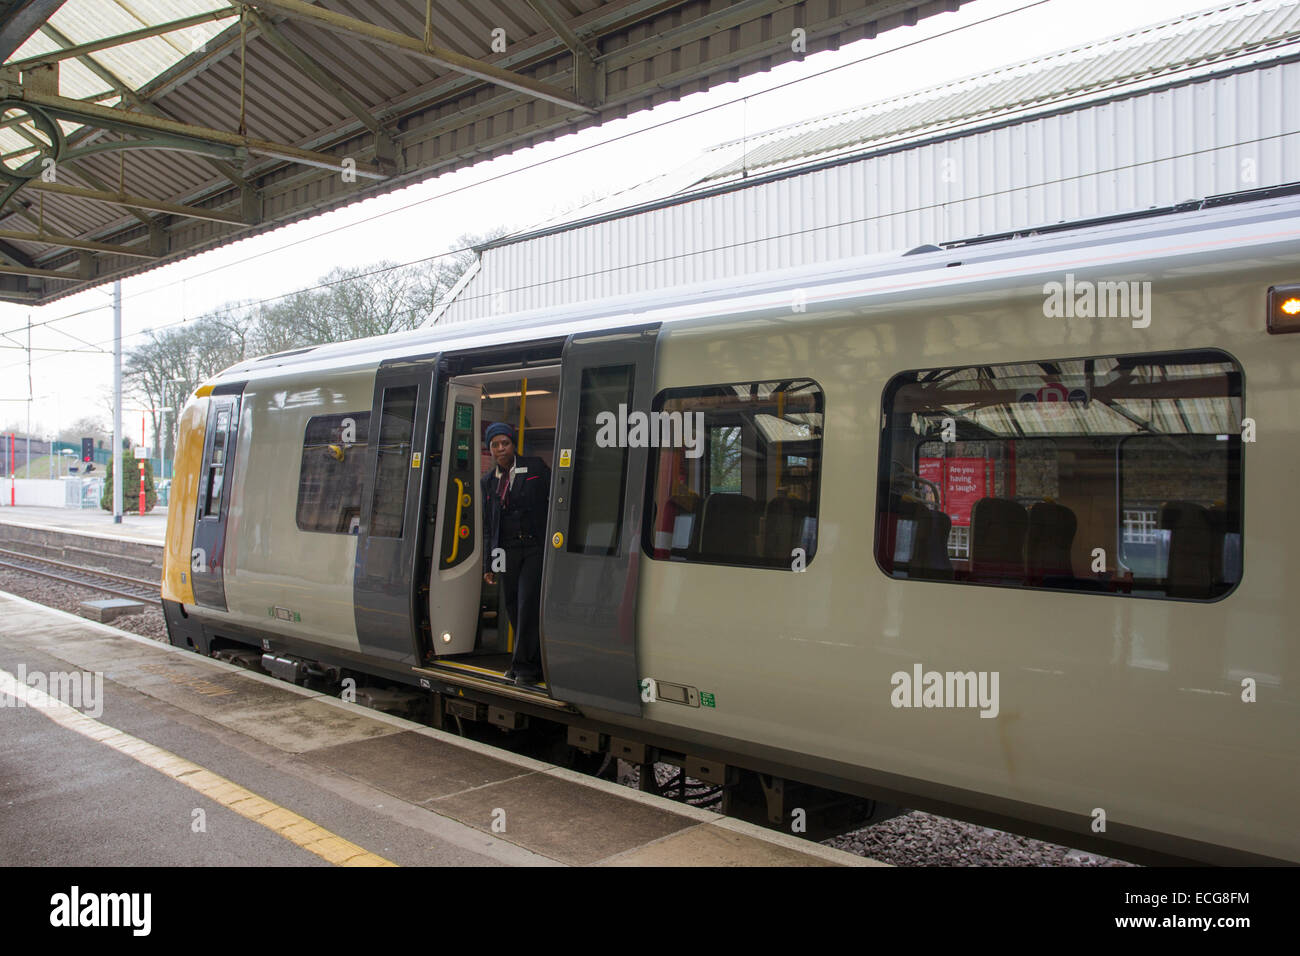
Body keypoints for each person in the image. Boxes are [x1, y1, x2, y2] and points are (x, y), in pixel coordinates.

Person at [481, 422, 550, 686]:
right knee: (511, 605)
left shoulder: (535, 468)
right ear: (490, 450)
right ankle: (532, 664)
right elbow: (489, 525)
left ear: (513, 444)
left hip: (533, 547)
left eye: (505, 443)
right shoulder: (488, 482)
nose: (501, 449)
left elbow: (554, 496)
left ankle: (522, 667)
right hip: (505, 550)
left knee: (526, 604)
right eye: (495, 445)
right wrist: (488, 563)